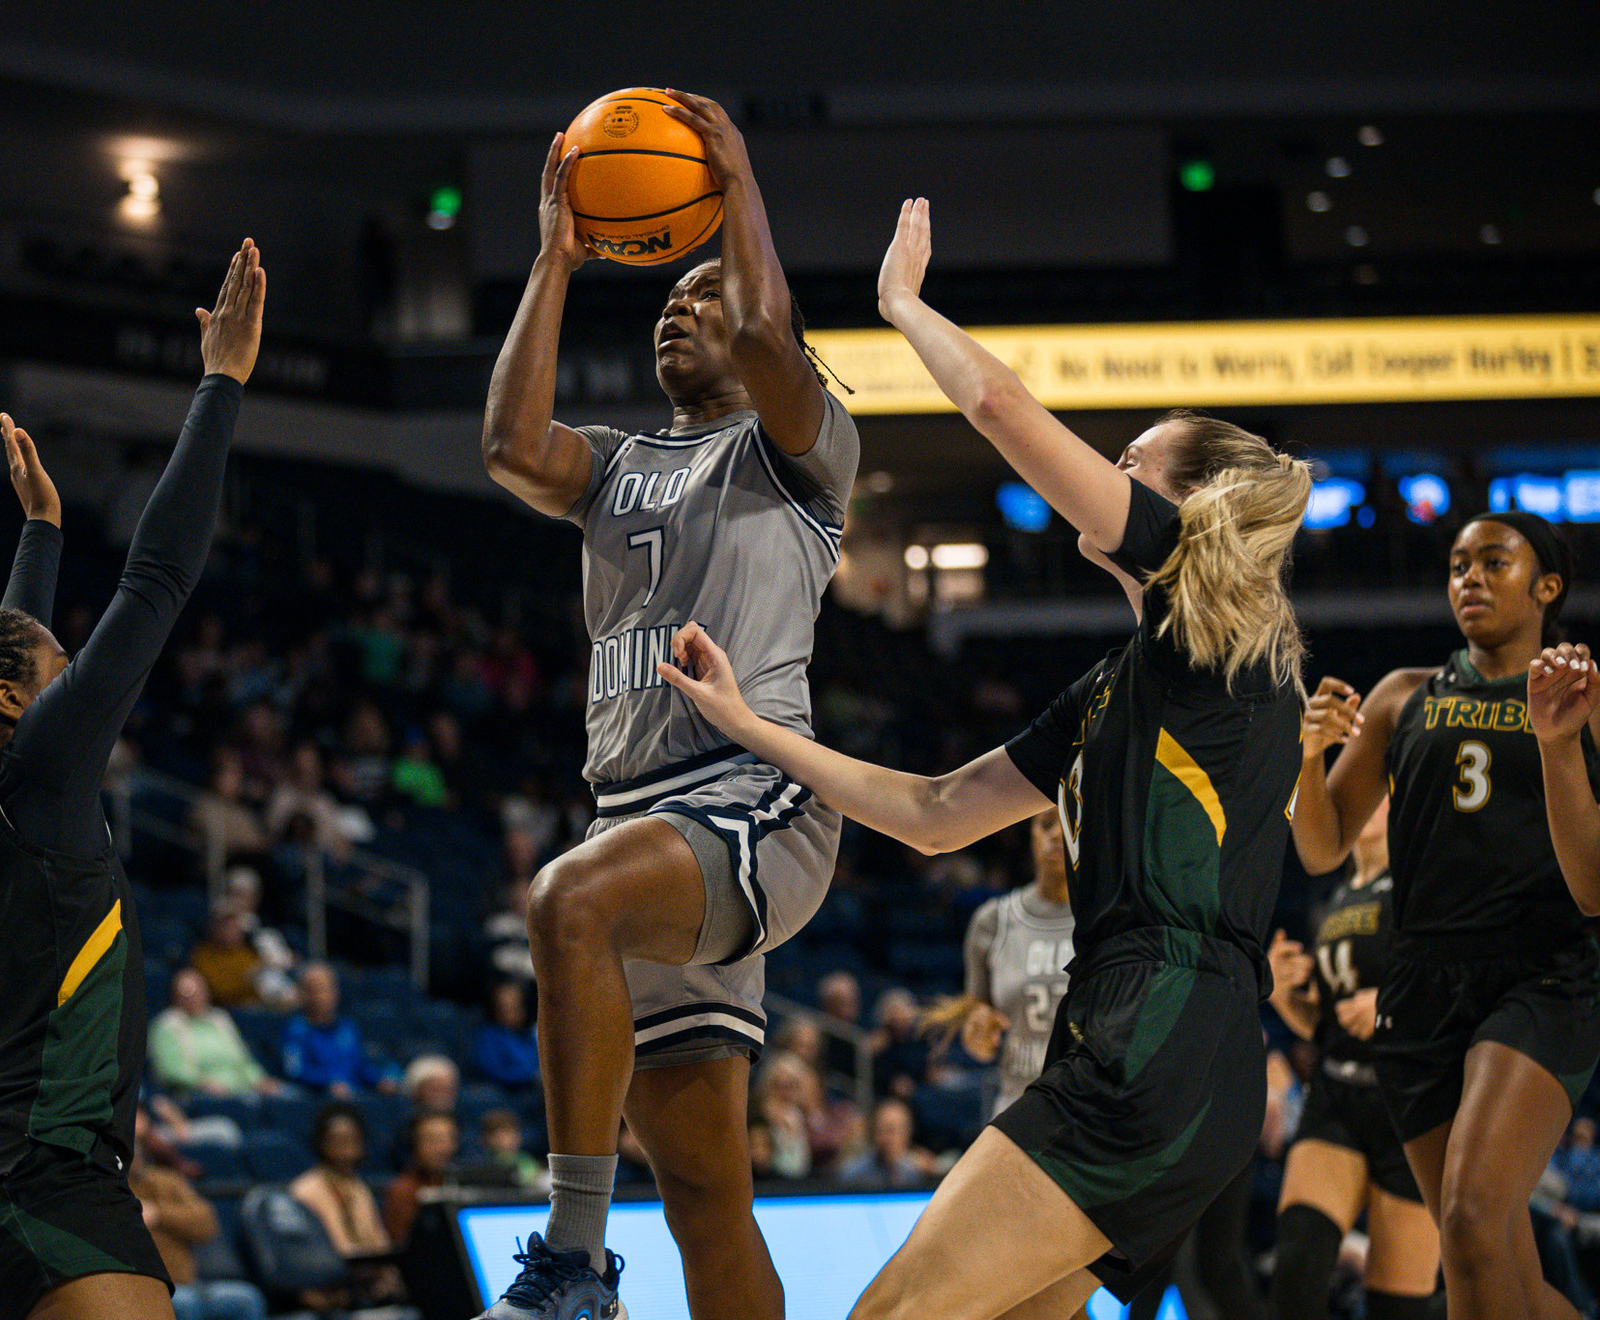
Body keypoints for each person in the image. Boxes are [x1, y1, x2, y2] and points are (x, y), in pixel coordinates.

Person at [655, 194, 1311, 1320]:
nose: (1106, 468)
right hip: (1166, 1048)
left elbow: (1003, 406)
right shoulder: (1120, 685)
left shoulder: (1219, 622)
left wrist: (903, 305)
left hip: (1156, 1029)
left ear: (1193, 508)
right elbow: (938, 811)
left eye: (1133, 459)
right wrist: (756, 728)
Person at [474, 90, 858, 1320]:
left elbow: (766, 335)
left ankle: (574, 1264)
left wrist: (737, 182)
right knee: (703, 1190)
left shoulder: (804, 454)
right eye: (663, 302)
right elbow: (505, 443)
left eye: (699, 296)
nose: (676, 313)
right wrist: (554, 257)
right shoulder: (618, 467)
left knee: (564, 901)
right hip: (642, 817)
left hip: (756, 798)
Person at [0, 239, 264, 1320]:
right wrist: (222, 387)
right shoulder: (24, 784)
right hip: (36, 1185)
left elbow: (2, 660)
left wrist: (40, 531)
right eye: (57, 669)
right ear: (17, 707)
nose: (76, 673)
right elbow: (160, 576)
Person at [1293, 510, 1600, 1320]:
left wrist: (1559, 743)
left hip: (1543, 976)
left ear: (1548, 586)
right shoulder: (1403, 696)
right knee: (1488, 1263)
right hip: (1420, 983)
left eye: (1494, 562)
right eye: (1459, 564)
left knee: (1468, 1218)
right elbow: (1321, 850)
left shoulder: (1587, 698)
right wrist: (1306, 756)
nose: (1469, 577)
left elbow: (1597, 890)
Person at [1266, 798, 1439, 1319]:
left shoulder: (1422, 884)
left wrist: (1389, 1005)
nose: (1369, 802)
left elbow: (1459, 989)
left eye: (1384, 792)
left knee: (1398, 1308)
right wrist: (1278, 992)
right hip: (1337, 1095)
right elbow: (1326, 1025)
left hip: (1411, 1107)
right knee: (1295, 1271)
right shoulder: (1338, 896)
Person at [960, 809, 1075, 1119]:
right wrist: (979, 1033)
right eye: (1047, 824)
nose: (1056, 835)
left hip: (1093, 1109)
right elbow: (977, 1031)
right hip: (1019, 1103)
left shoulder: (1110, 915)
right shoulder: (994, 920)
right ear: (1031, 833)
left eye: (1069, 823)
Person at [129, 1110, 266, 1320]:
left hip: (189, 1282)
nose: (132, 1155)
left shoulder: (167, 1179)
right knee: (186, 1303)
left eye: (135, 1149)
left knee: (246, 1298)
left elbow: (207, 1224)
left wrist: (159, 1215)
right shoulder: (108, 1189)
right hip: (142, 1289)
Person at [288, 1103, 400, 1309]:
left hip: (366, 1281)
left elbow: (379, 1241)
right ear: (321, 1143)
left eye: (352, 1139)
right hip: (329, 1284)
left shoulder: (359, 1188)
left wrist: (388, 1274)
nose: (346, 1147)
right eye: (337, 1140)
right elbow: (310, 1255)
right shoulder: (304, 1189)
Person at [149, 968, 286, 1100]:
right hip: (198, 1093)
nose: (193, 996)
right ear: (175, 996)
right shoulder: (166, 1025)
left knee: (287, 1098)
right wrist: (201, 1082)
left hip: (242, 1089)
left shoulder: (220, 1019)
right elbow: (169, 1069)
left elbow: (243, 1060)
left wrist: (260, 1080)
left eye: (197, 990)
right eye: (186, 993)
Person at [277, 961, 396, 1097]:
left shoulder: (348, 1027)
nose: (324, 996)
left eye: (328, 989)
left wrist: (379, 1080)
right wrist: (328, 1083)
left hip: (353, 1095)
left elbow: (361, 1066)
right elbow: (295, 1071)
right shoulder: (295, 1030)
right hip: (316, 1097)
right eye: (317, 990)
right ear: (305, 994)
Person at [383, 1109, 460, 1247]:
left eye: (447, 1139)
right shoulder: (402, 1190)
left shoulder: (460, 1182)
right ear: (414, 1144)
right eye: (433, 1140)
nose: (442, 1148)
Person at [836, 1097, 935, 1190]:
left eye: (893, 1130)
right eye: (882, 1130)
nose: (888, 1138)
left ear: (908, 1131)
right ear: (873, 1132)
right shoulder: (853, 1174)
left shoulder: (921, 1170)